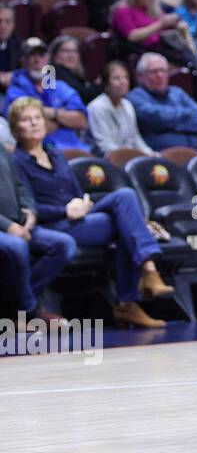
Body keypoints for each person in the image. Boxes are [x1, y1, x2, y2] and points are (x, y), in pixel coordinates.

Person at [9, 97, 171, 329]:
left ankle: (143, 278)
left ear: (45, 124)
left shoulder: (55, 154)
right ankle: (134, 293)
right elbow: (25, 206)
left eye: (37, 118)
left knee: (125, 197)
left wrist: (83, 203)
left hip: (79, 218)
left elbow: (76, 191)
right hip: (52, 224)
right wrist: (64, 210)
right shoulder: (16, 162)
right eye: (26, 120)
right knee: (125, 224)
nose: (34, 123)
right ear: (16, 128)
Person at [0, 137, 73, 325]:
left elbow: (19, 187)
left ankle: (14, 308)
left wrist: (30, 213)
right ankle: (29, 312)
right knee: (16, 246)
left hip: (19, 223)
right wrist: (8, 226)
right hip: (6, 227)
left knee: (63, 244)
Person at [3, 38, 90, 152]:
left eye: (41, 55)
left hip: (77, 150)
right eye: (32, 55)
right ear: (23, 61)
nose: (37, 60)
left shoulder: (60, 87)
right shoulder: (15, 90)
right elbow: (30, 129)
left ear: (47, 59)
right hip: (40, 154)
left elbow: (81, 121)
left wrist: (52, 113)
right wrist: (65, 119)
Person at [128, 52, 197, 150]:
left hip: (195, 151)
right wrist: (186, 118)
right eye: (154, 71)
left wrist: (169, 123)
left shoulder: (177, 92)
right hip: (160, 156)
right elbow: (154, 119)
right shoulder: (135, 96)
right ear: (140, 76)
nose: (159, 75)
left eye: (163, 71)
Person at [86, 61, 155, 157]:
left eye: (125, 77)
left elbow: (135, 138)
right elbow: (104, 145)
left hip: (126, 156)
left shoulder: (128, 105)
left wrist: (150, 153)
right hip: (101, 159)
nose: (123, 82)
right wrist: (130, 156)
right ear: (106, 84)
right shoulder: (96, 107)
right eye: (116, 78)